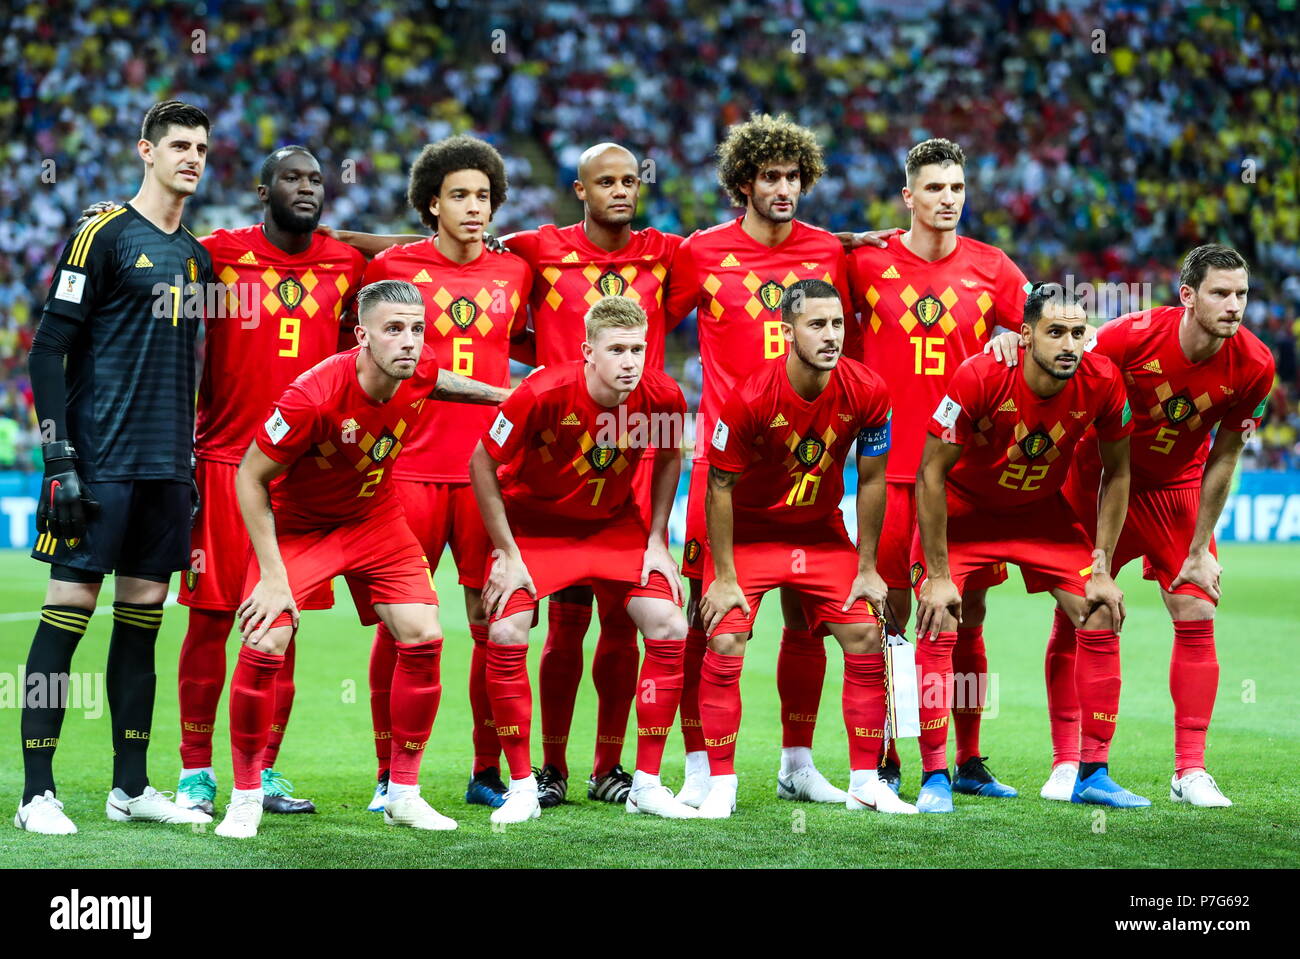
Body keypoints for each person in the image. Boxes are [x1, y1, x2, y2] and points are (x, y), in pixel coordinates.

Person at [214, 279, 507, 838]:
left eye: (417, 329)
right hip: (300, 528)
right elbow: (250, 476)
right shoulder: (312, 397)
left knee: (422, 632)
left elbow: (438, 380)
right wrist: (274, 576)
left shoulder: (416, 367)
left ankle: (403, 791)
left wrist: (501, 394)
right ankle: (246, 795)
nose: (410, 341)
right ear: (362, 336)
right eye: (394, 329)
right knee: (265, 636)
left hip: (374, 519)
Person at [17, 100, 215, 834]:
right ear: (146, 151)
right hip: (96, 464)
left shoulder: (197, 258)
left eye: (201, 147)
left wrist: (188, 465)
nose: (192, 157)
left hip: (166, 470)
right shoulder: (101, 234)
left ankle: (129, 785)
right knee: (66, 617)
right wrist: (58, 455)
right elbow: (46, 348)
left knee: (140, 627)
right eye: (179, 145)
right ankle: (38, 791)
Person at [169, 146, 367, 817]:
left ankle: (263, 769)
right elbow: (157, 240)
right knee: (210, 623)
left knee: (282, 625)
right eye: (293, 177)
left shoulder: (346, 263)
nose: (307, 187)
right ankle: (195, 772)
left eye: (317, 178)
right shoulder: (218, 253)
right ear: (262, 189)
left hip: (301, 478)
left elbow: (415, 251)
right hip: (225, 463)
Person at [670, 113, 857, 806]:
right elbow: (647, 324)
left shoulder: (830, 252)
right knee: (705, 616)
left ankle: (798, 763)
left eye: (794, 177)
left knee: (809, 617)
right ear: (743, 182)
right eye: (771, 177)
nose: (784, 189)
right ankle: (698, 766)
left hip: (808, 466)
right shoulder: (701, 253)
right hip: (726, 469)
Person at [1049, 245, 1276, 806]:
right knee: (1087, 612)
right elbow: (1065, 362)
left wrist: (1200, 548)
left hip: (1177, 488)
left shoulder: (1255, 365)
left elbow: (1225, 456)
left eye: (1241, 294)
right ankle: (1072, 761)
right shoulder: (1130, 337)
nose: (1234, 305)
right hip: (1100, 482)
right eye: (1221, 293)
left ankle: (1190, 771)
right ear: (1188, 296)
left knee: (1197, 601)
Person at [912, 282, 1146, 812]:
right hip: (964, 511)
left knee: (1100, 609)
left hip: (1041, 515)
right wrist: (940, 572)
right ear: (1024, 335)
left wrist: (1103, 566)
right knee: (947, 615)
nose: (1069, 344)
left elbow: (1119, 470)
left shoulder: (1103, 381)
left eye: (1078, 334)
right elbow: (930, 473)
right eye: (1055, 332)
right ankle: (939, 775)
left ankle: (1092, 772)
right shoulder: (980, 376)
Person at [467, 296, 695, 824]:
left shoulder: (662, 395)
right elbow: (482, 462)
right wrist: (506, 550)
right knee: (505, 634)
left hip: (612, 526)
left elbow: (667, 461)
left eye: (638, 348)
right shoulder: (541, 393)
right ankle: (523, 785)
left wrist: (658, 540)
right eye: (618, 350)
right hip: (535, 527)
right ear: (588, 352)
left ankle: (647, 783)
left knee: (668, 625)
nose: (631, 361)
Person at [848, 137, 1028, 797]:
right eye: (934, 188)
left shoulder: (995, 267)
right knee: (896, 620)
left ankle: (970, 759)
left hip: (964, 473)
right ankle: (895, 756)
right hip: (889, 467)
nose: (947, 199)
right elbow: (807, 261)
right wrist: (846, 235)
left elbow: (1045, 335)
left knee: (967, 614)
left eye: (956, 188)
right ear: (908, 197)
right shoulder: (868, 261)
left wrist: (1018, 337)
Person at [697, 279, 916, 817]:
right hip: (748, 534)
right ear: (786, 330)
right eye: (817, 324)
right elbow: (718, 487)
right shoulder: (749, 395)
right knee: (725, 640)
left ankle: (857, 779)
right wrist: (723, 576)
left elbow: (871, 480)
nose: (831, 335)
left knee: (866, 630)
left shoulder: (868, 390)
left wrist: (867, 567)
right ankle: (720, 782)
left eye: (838, 323)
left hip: (819, 533)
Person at [360, 135, 531, 812]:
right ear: (431, 203)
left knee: (493, 623)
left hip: (488, 473)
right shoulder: (393, 265)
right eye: (458, 195)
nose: (473, 207)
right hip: (407, 471)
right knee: (399, 628)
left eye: (483, 196)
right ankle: (388, 774)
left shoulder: (515, 271)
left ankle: (486, 770)